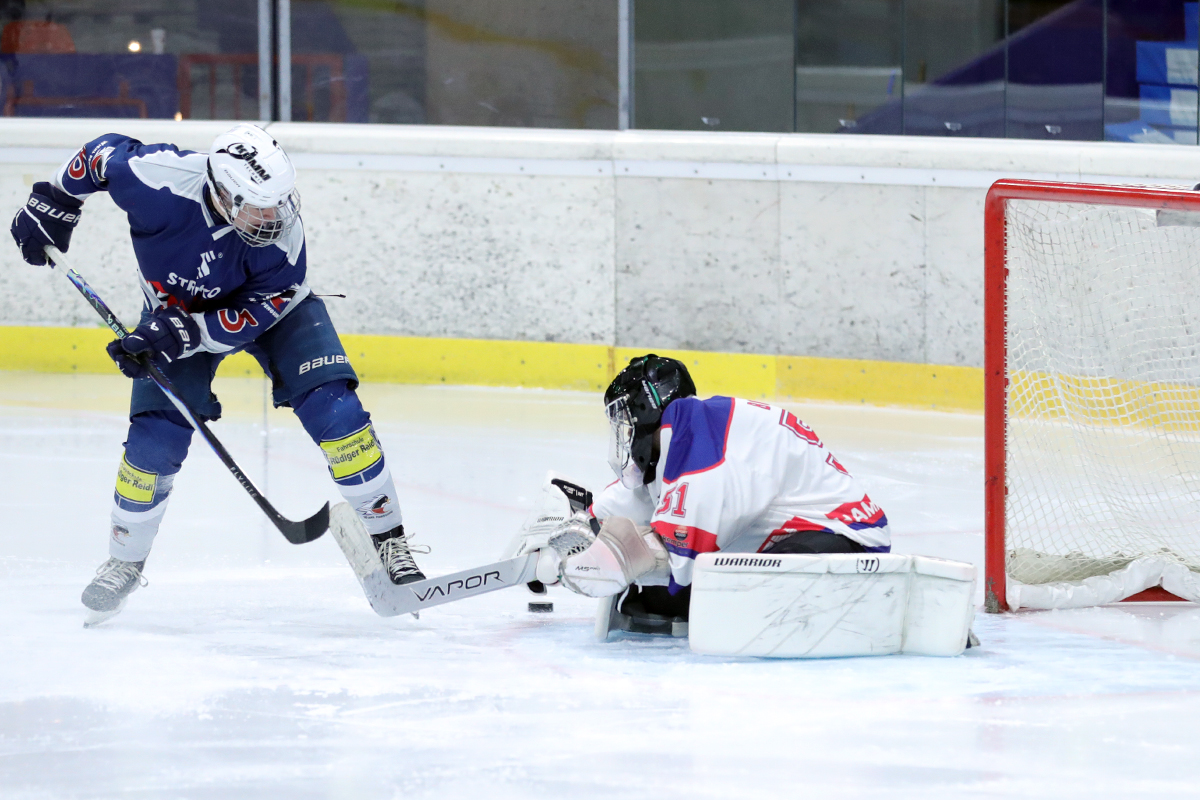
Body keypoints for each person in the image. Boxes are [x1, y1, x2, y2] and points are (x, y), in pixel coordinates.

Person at [10, 124, 426, 624]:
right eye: (257, 205)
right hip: (173, 318)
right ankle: (123, 561)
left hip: (277, 314)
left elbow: (264, 306)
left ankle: (390, 541)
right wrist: (55, 199)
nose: (274, 216)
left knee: (337, 413)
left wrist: (184, 332)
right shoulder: (155, 178)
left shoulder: (283, 234)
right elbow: (100, 155)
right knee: (152, 443)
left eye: (278, 201)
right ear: (223, 194)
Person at [510, 354, 892, 634]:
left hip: (843, 545)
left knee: (742, 605)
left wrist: (593, 560)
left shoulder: (699, 445)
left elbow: (671, 551)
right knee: (648, 602)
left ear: (646, 410)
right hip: (790, 542)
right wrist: (568, 529)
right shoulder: (682, 439)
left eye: (626, 418)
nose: (624, 433)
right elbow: (632, 503)